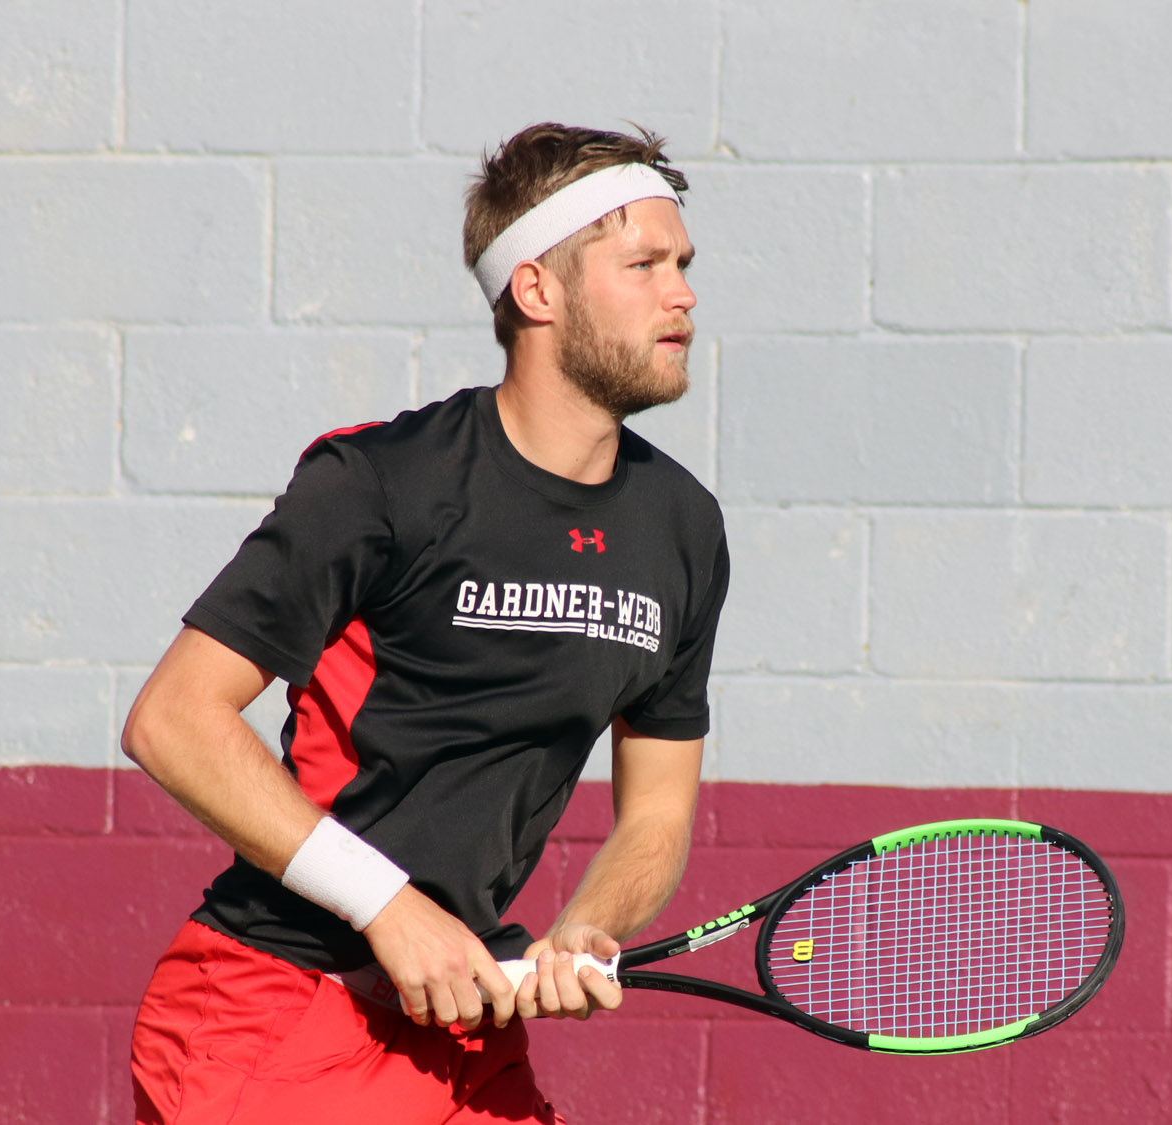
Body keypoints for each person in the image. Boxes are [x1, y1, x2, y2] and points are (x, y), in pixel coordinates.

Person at [124, 122, 729, 1124]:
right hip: (274, 1008)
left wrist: (585, 932)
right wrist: (388, 908)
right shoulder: (379, 484)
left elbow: (656, 813)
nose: (683, 294)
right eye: (644, 265)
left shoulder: (680, 527)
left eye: (683, 264)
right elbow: (173, 721)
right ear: (536, 291)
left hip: (461, 1025)